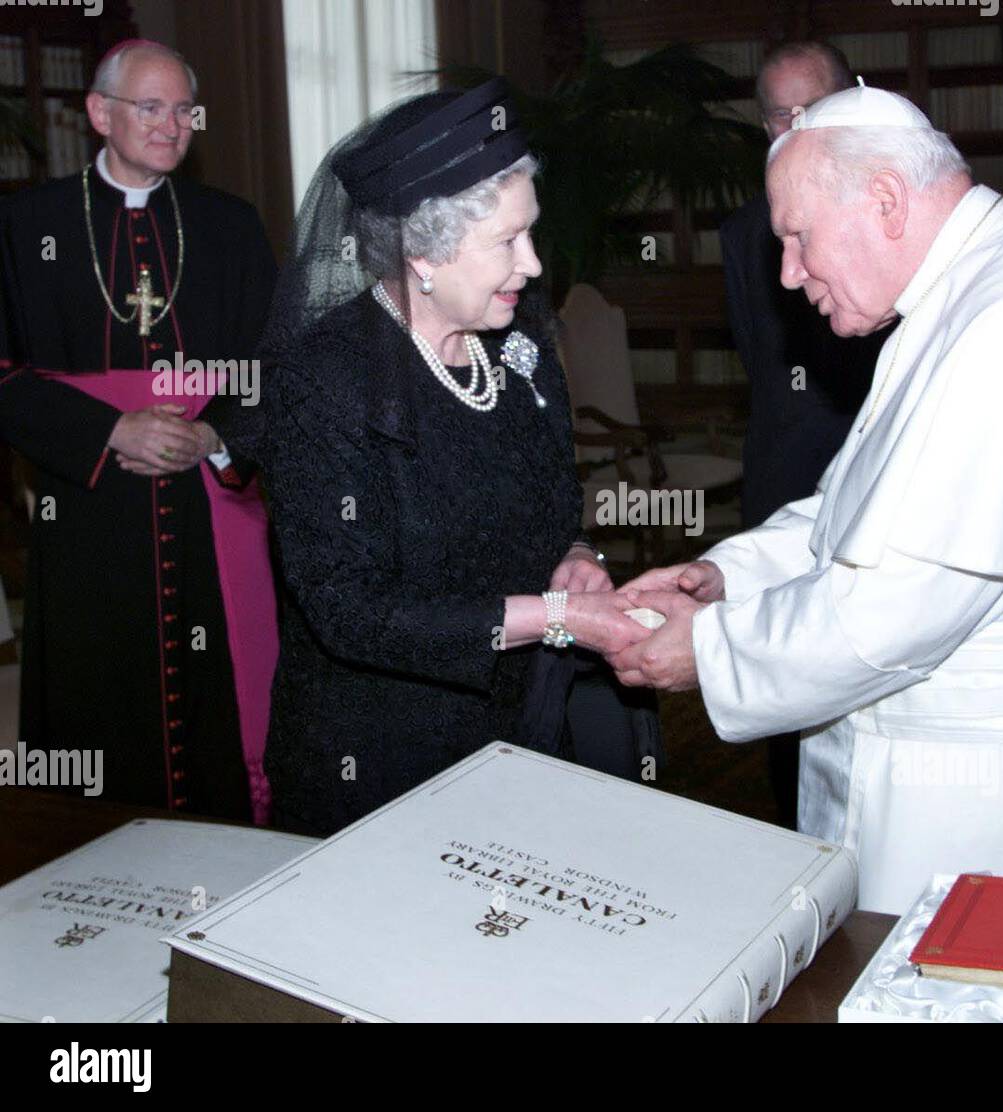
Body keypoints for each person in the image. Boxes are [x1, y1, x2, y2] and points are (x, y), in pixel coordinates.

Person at [609, 82, 1003, 915]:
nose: (791, 276)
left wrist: (712, 652)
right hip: (969, 775)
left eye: (797, 238)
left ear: (883, 200)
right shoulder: (986, 282)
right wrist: (729, 577)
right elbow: (861, 509)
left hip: (996, 807)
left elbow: (898, 603)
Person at [222, 81, 651, 836]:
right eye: (507, 242)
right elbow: (350, 613)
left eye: (532, 233)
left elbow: (554, 502)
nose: (533, 265)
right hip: (381, 762)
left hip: (521, 736)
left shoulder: (518, 351)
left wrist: (574, 553)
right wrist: (558, 617)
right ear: (422, 251)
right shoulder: (327, 382)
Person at [0, 40, 278, 822]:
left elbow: (276, 362)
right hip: (91, 508)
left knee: (226, 696)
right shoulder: (25, 225)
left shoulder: (229, 224)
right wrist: (108, 430)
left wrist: (214, 436)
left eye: (184, 110)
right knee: (103, 697)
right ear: (98, 113)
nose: (171, 125)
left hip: (208, 505)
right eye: (149, 107)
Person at [720, 40, 888, 829]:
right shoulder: (748, 231)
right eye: (779, 115)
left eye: (812, 109)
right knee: (785, 656)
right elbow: (764, 352)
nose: (794, 127)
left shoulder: (894, 207)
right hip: (787, 460)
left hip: (881, 451)